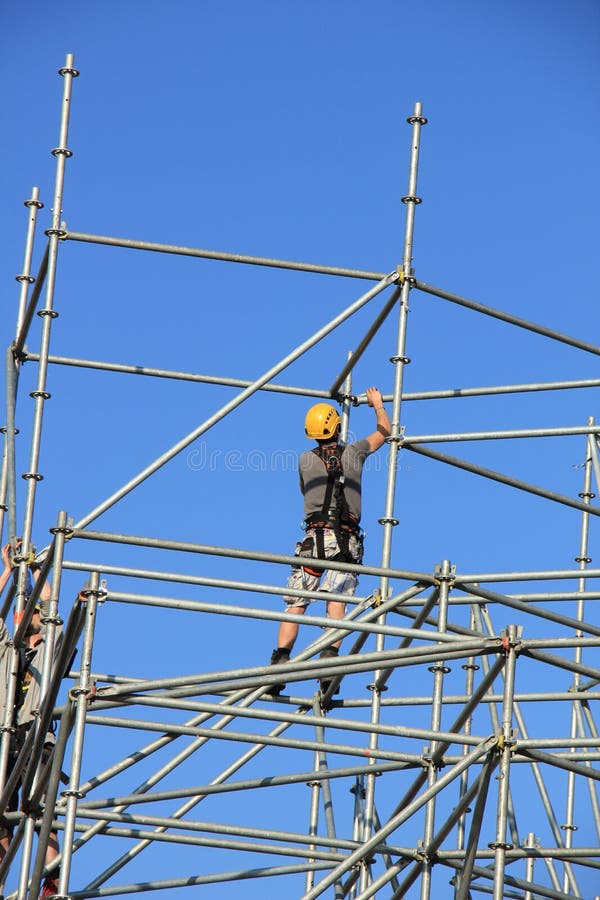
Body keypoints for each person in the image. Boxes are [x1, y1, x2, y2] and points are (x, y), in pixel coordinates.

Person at [269, 387, 391, 698]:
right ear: (337, 427)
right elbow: (384, 432)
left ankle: (279, 664)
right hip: (344, 541)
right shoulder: (353, 453)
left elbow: (304, 491)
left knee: (296, 603)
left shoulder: (304, 460)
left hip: (312, 540)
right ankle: (328, 668)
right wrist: (377, 405)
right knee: (335, 601)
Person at [0, 541, 62, 900]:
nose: (28, 615)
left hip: (36, 734)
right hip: (5, 738)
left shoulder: (48, 648)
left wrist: (37, 570)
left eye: (33, 610)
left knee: (38, 808)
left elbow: (52, 607)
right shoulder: (7, 648)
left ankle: (50, 881)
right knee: (1, 818)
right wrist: (8, 570)